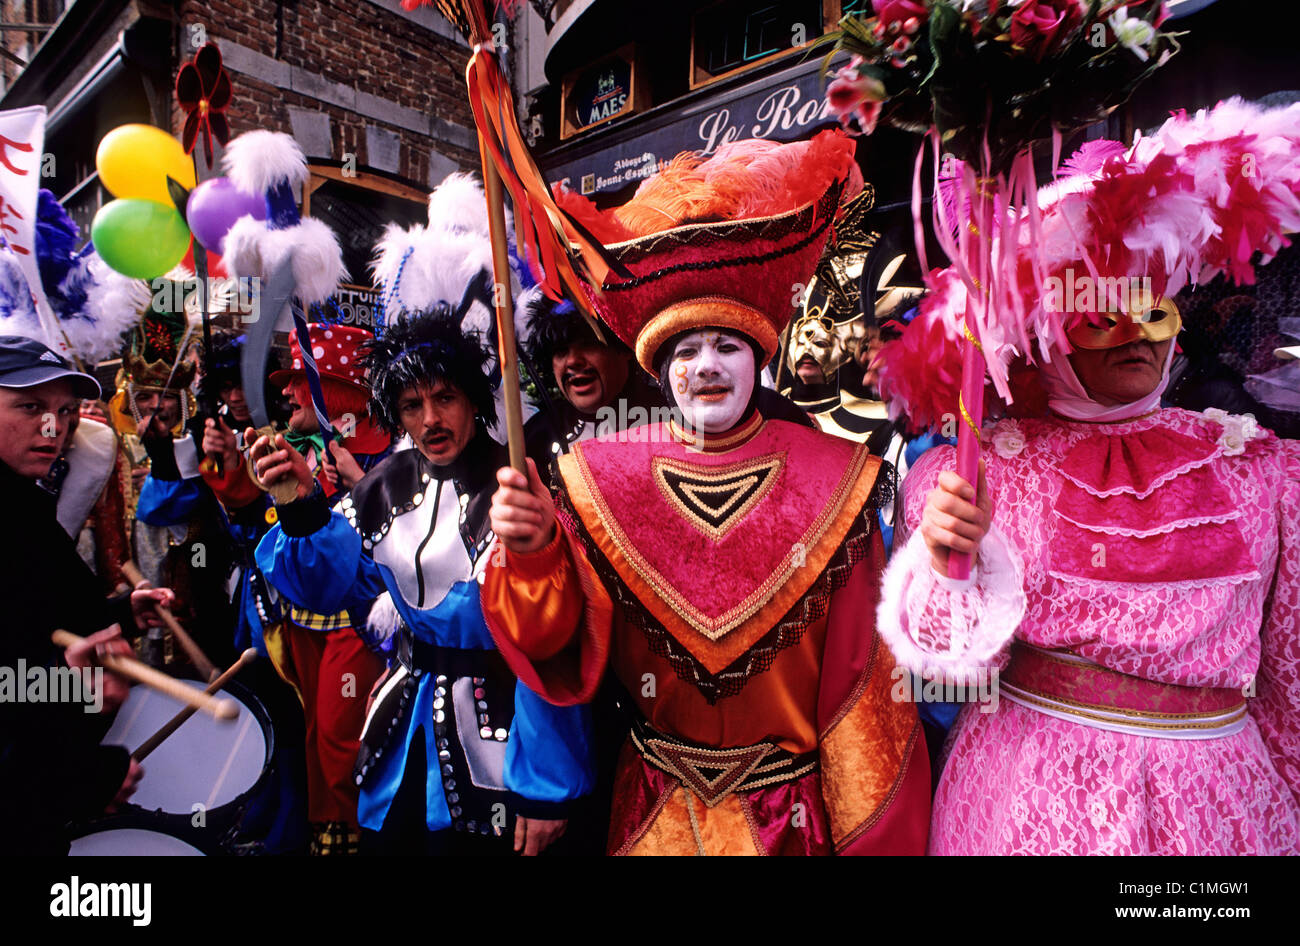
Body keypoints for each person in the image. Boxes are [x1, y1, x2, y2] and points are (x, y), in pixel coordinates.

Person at [485, 131, 931, 855]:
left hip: (792, 823)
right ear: (660, 371)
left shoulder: (839, 479)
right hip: (652, 814)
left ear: (760, 356)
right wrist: (533, 558)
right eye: (685, 352)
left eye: (726, 346)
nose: (707, 367)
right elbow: (555, 647)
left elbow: (863, 687)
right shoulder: (595, 478)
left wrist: (872, 842)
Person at [875, 99, 1300, 854]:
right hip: (1029, 801)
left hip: (1220, 810)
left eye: (1153, 311)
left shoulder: (1261, 468)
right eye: (1103, 313)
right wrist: (945, 563)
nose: (1135, 333)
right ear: (1051, 337)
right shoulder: (979, 473)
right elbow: (948, 676)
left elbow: (1291, 681)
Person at [251, 311, 594, 854]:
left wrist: (546, 787)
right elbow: (328, 588)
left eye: (446, 398)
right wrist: (299, 506)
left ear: (474, 400)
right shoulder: (386, 484)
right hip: (403, 730)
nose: (431, 419)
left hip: (504, 745)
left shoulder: (518, 484)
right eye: (412, 405)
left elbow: (548, 641)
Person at [0, 336, 174, 854]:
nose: (54, 427)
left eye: (66, 411)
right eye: (30, 407)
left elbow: (32, 623)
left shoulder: (22, 502)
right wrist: (61, 688)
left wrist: (117, 616)